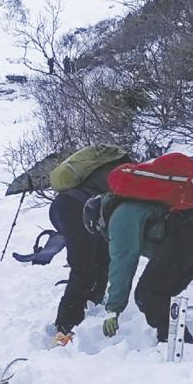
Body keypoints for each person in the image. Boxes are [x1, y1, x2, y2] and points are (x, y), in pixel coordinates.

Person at [86, 195, 193, 344]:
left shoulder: (120, 217)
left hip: (191, 233)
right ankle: (177, 341)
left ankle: (176, 344)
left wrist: (113, 309)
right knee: (160, 292)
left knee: (147, 295)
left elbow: (122, 262)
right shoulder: (138, 204)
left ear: (98, 220)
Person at [47, 145, 131, 345]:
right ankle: (64, 328)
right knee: (83, 268)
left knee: (103, 258)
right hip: (76, 209)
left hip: (67, 207)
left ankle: (91, 304)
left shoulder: (115, 166)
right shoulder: (127, 175)